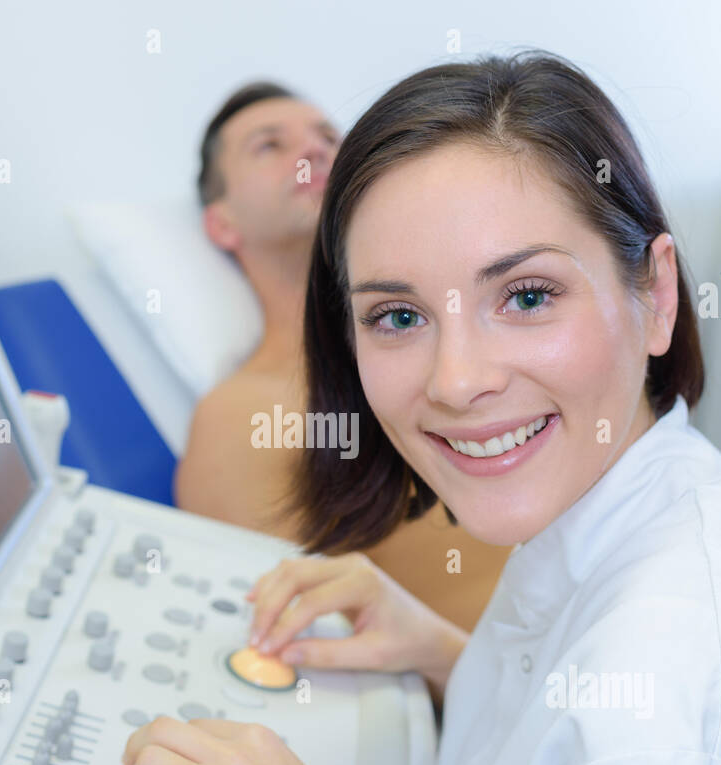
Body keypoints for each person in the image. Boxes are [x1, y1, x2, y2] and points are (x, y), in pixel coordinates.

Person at [122, 50, 721, 765]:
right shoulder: (597, 512)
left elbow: (635, 748)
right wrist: (455, 656)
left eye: (526, 296)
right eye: (398, 317)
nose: (457, 382)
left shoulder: (660, 739)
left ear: (656, 296)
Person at [173, 81, 513, 634]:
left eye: (329, 137)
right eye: (269, 146)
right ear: (222, 223)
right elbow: (280, 643)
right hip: (515, 699)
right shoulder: (241, 416)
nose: (316, 151)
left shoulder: (473, 334)